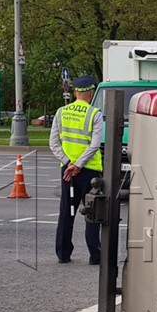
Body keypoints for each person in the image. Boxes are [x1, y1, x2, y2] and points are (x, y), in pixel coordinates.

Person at [49, 76, 104, 264]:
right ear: (91, 93)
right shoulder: (94, 113)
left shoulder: (61, 112)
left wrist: (69, 163)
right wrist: (79, 164)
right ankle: (95, 255)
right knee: (92, 212)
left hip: (68, 173)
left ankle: (63, 254)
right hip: (90, 172)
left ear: (74, 93)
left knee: (67, 211)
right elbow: (95, 145)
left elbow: (53, 143)